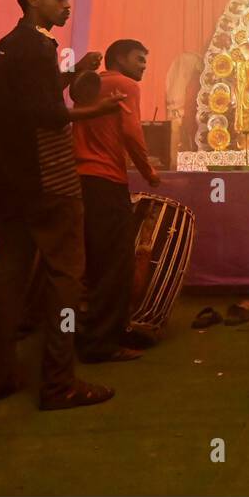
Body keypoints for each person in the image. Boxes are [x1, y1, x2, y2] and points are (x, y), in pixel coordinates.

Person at [0, 0, 124, 410]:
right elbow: (50, 116)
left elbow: (29, 101)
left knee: (7, 278)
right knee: (65, 278)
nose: (66, 5)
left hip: (7, 181)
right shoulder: (38, 47)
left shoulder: (3, 50)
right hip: (49, 180)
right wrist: (100, 109)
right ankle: (59, 383)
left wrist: (72, 72)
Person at [71, 38, 161, 363]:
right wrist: (149, 171)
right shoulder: (124, 85)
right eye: (139, 59)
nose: (143, 66)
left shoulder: (86, 83)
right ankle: (102, 344)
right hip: (106, 180)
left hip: (78, 179)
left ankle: (89, 333)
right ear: (120, 58)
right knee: (114, 264)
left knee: (93, 263)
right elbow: (131, 131)